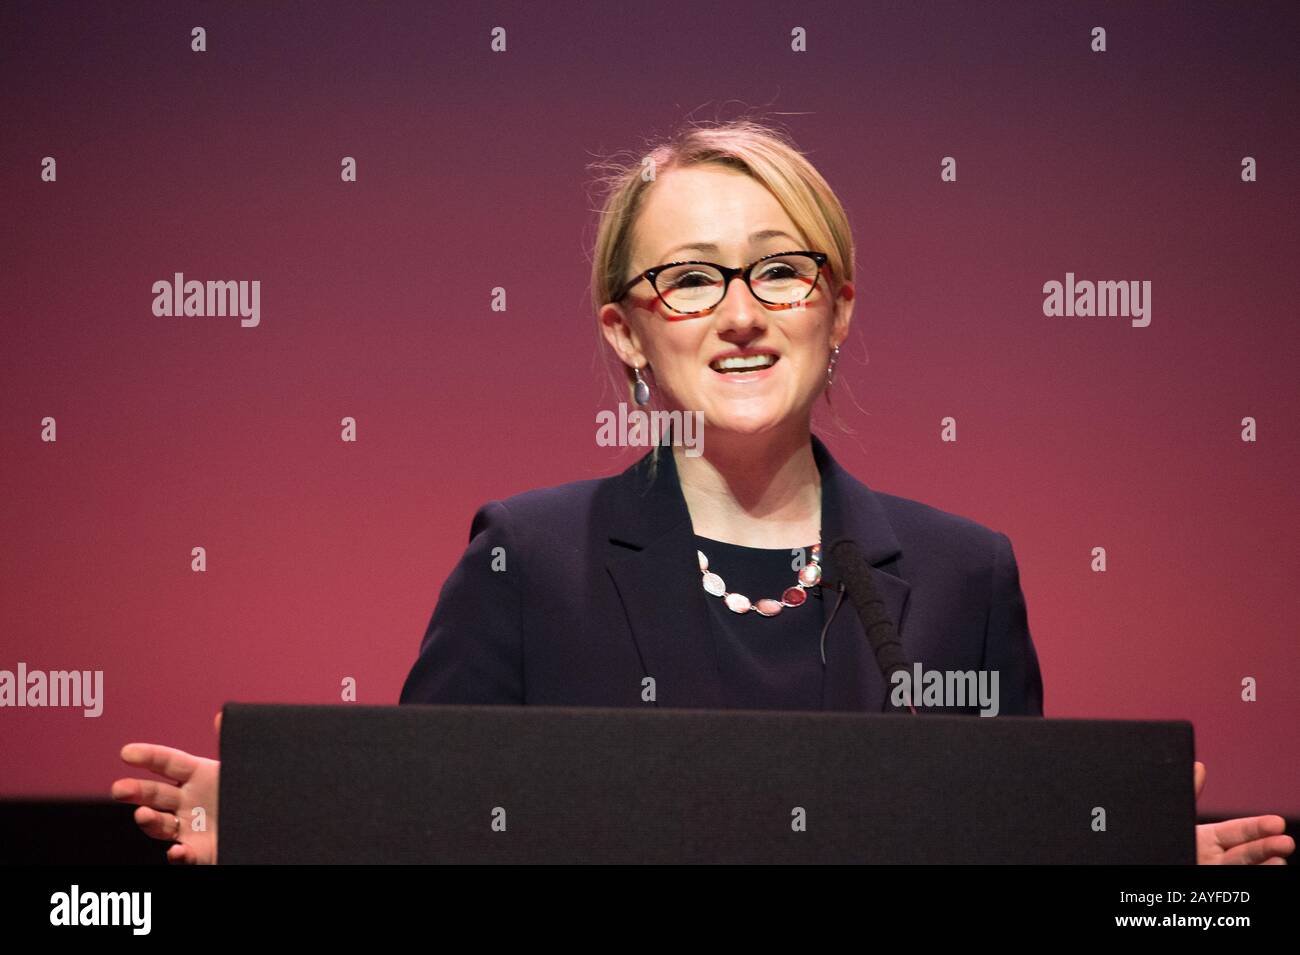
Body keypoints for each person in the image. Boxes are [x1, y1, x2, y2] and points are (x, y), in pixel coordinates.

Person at [112, 119, 1293, 865]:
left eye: (779, 269)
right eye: (688, 280)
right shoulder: (529, 556)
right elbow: (440, 829)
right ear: (626, 334)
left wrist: (1135, 881)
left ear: (837, 310)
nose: (739, 312)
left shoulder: (963, 573)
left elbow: (1006, 854)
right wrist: (307, 823)